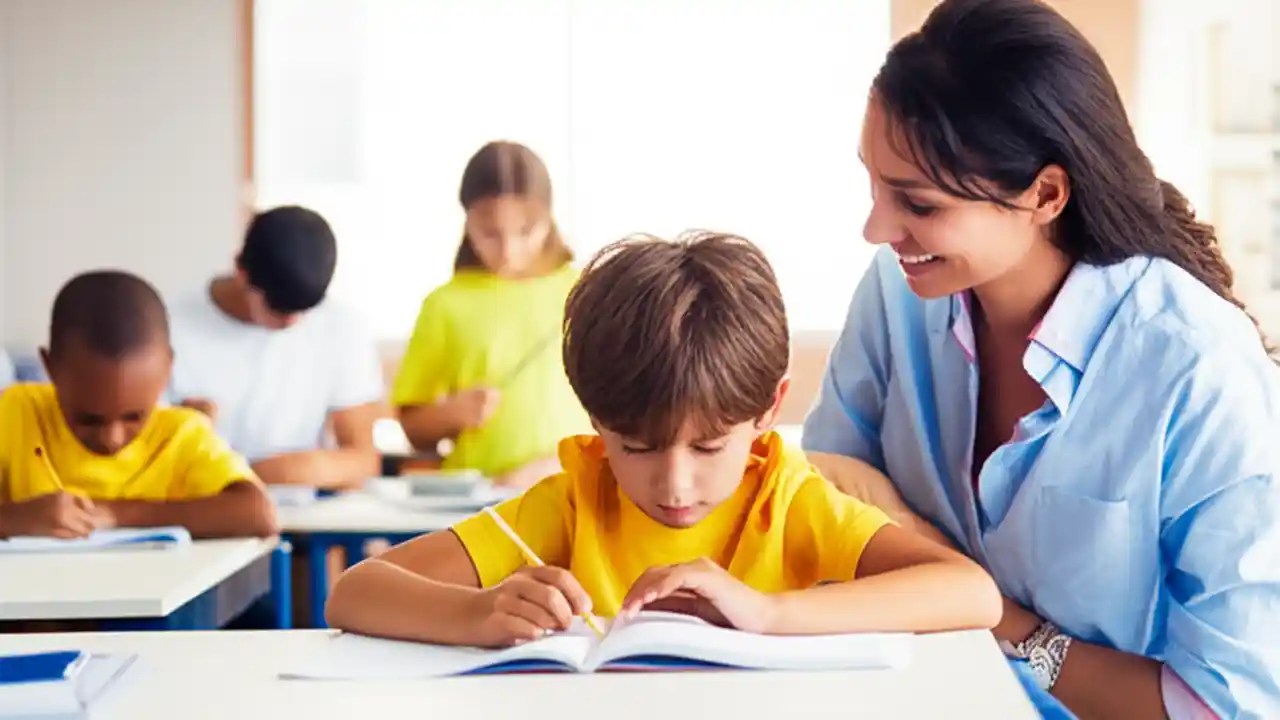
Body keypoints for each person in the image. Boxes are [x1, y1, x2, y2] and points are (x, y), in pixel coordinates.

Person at [801, 1, 1280, 717]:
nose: (877, 228)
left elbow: (1228, 705)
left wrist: (999, 617)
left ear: (1045, 195)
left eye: (919, 204)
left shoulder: (1198, 370)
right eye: (875, 184)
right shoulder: (900, 295)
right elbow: (817, 512)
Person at [325, 232, 1001, 645]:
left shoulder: (787, 501)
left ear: (768, 409)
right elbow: (355, 591)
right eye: (637, 447)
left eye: (708, 447)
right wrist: (476, 612)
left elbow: (972, 593)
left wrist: (766, 613)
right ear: (596, 419)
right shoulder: (571, 503)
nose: (675, 485)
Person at [0, 271, 277, 539]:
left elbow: (258, 514)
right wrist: (13, 518)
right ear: (50, 367)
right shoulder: (17, 412)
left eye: (134, 416)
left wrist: (112, 514)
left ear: (167, 369)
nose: (112, 438)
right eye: (88, 419)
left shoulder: (181, 435)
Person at [392, 141, 589, 488]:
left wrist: (563, 467)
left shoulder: (587, 291)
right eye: (490, 233)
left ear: (549, 218)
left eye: (526, 231)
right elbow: (413, 429)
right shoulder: (444, 304)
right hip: (478, 499)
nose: (509, 249)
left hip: (576, 489)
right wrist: (450, 414)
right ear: (467, 221)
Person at [169, 205, 384, 490]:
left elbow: (363, 459)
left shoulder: (341, 325)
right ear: (241, 271)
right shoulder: (169, 328)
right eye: (278, 308)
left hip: (305, 508)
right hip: (204, 505)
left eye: (305, 309)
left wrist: (285, 471)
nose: (292, 321)